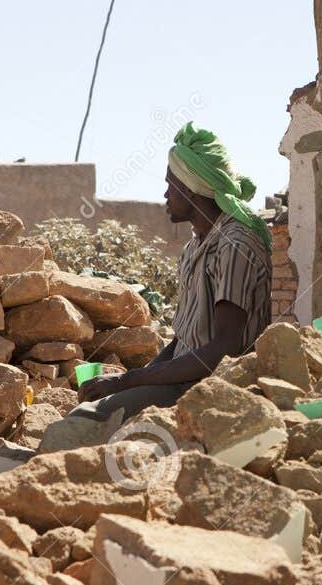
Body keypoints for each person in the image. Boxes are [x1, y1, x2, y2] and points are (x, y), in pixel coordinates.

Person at [54, 123, 272, 439]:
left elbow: (224, 349)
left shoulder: (235, 244)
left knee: (81, 426)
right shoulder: (195, 246)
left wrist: (127, 381)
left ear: (191, 189)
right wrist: (132, 380)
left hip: (213, 389)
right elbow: (183, 343)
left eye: (171, 185)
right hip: (183, 380)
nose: (165, 194)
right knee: (85, 415)